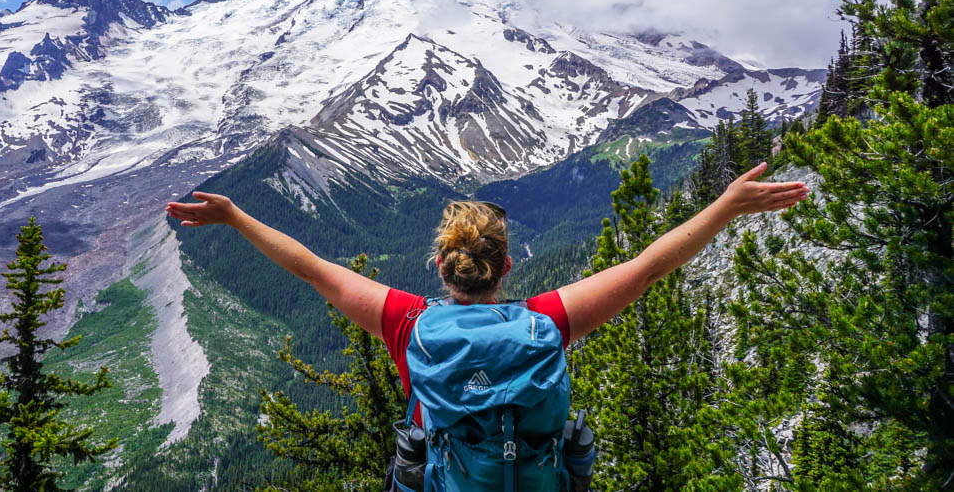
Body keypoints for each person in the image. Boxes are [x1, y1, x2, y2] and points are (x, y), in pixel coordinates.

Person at [164, 160, 809, 423]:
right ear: (504, 270)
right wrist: (725, 205)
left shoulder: (407, 323)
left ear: (438, 265)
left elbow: (310, 267)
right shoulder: (545, 322)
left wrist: (234, 217)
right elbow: (644, 269)